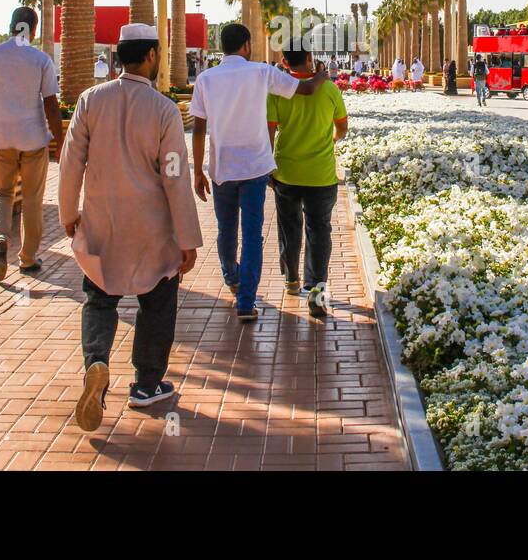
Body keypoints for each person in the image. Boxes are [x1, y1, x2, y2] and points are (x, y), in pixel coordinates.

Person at [60, 24, 204, 425]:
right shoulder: (163, 110)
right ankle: (146, 384)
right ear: (153, 56)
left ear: (120, 55)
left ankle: (97, 362)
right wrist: (187, 238)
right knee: (157, 301)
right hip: (152, 227)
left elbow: (71, 162)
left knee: (99, 296)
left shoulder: (90, 100)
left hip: (102, 220)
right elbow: (175, 175)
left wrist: (68, 214)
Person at [190, 23, 330, 322]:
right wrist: (321, 75)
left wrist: (198, 170)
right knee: (252, 235)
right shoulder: (260, 72)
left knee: (226, 229)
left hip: (221, 168)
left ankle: (231, 277)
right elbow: (304, 89)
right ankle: (246, 302)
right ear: (246, 45)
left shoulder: (206, 79)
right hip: (254, 167)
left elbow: (199, 128)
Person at [0, 6, 63, 281]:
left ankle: (0, 236)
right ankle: (27, 258)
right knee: (32, 200)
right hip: (33, 139)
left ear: (11, 25)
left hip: (0, 137)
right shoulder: (40, 59)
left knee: (0, 193)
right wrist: (60, 140)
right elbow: (51, 103)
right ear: (34, 29)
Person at [267, 41, 348, 319]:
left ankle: (291, 280)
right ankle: (317, 291)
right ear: (311, 58)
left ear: (285, 62)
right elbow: (342, 127)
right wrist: (330, 141)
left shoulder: (278, 91)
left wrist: (268, 166)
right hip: (321, 174)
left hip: (286, 172)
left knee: (289, 227)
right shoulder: (329, 88)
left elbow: (269, 130)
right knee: (319, 232)